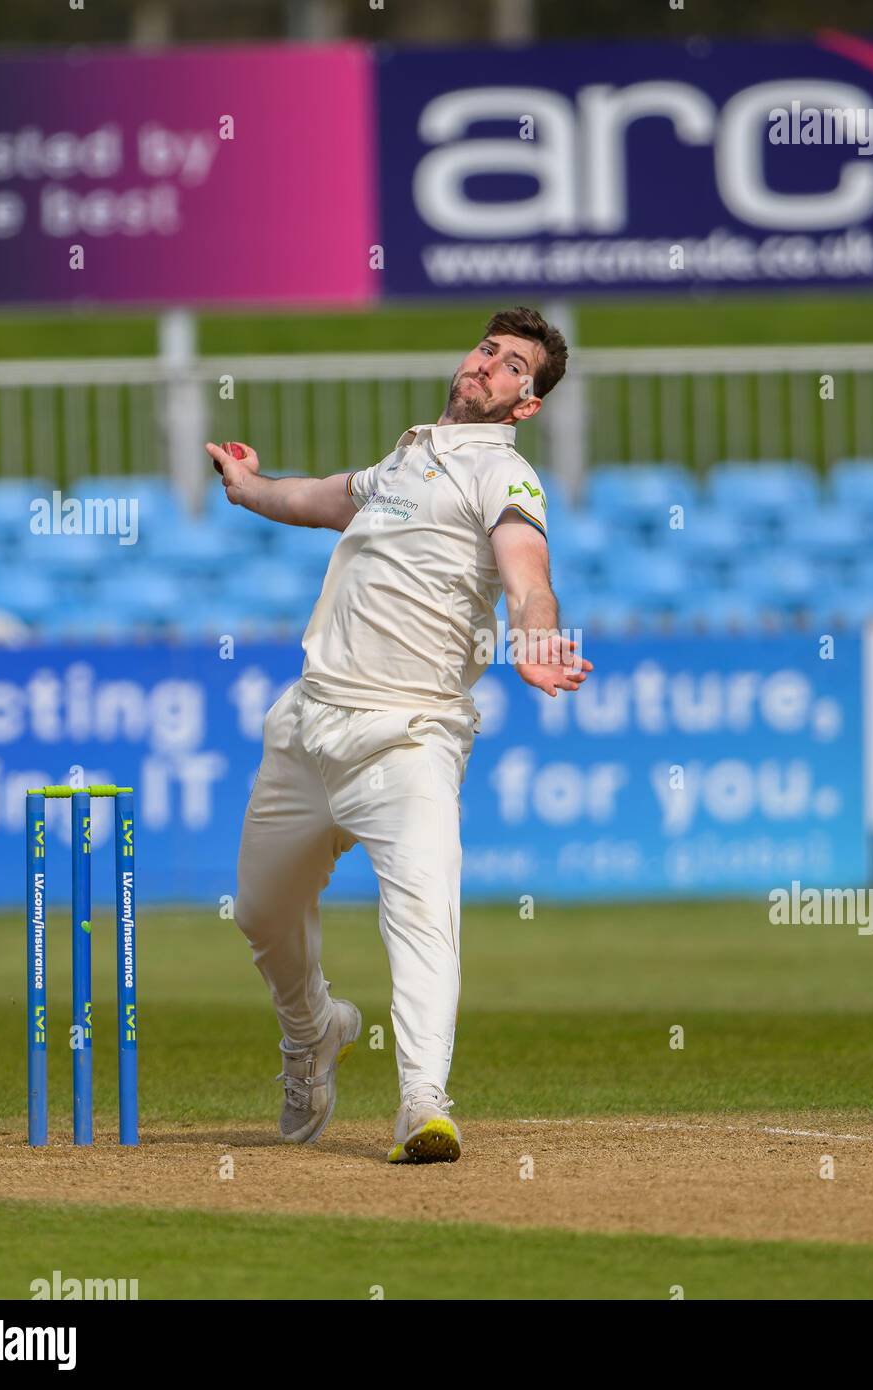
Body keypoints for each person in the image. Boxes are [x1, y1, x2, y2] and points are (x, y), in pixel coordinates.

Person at [205, 306, 592, 1164]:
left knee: (421, 913)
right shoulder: (407, 456)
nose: (489, 365)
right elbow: (320, 500)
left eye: (512, 366)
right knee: (262, 913)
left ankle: (423, 1098)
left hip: (409, 737)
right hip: (307, 728)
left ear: (525, 405)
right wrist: (247, 489)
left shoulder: (502, 476)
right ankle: (314, 1033)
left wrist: (535, 633)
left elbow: (527, 573)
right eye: (488, 350)